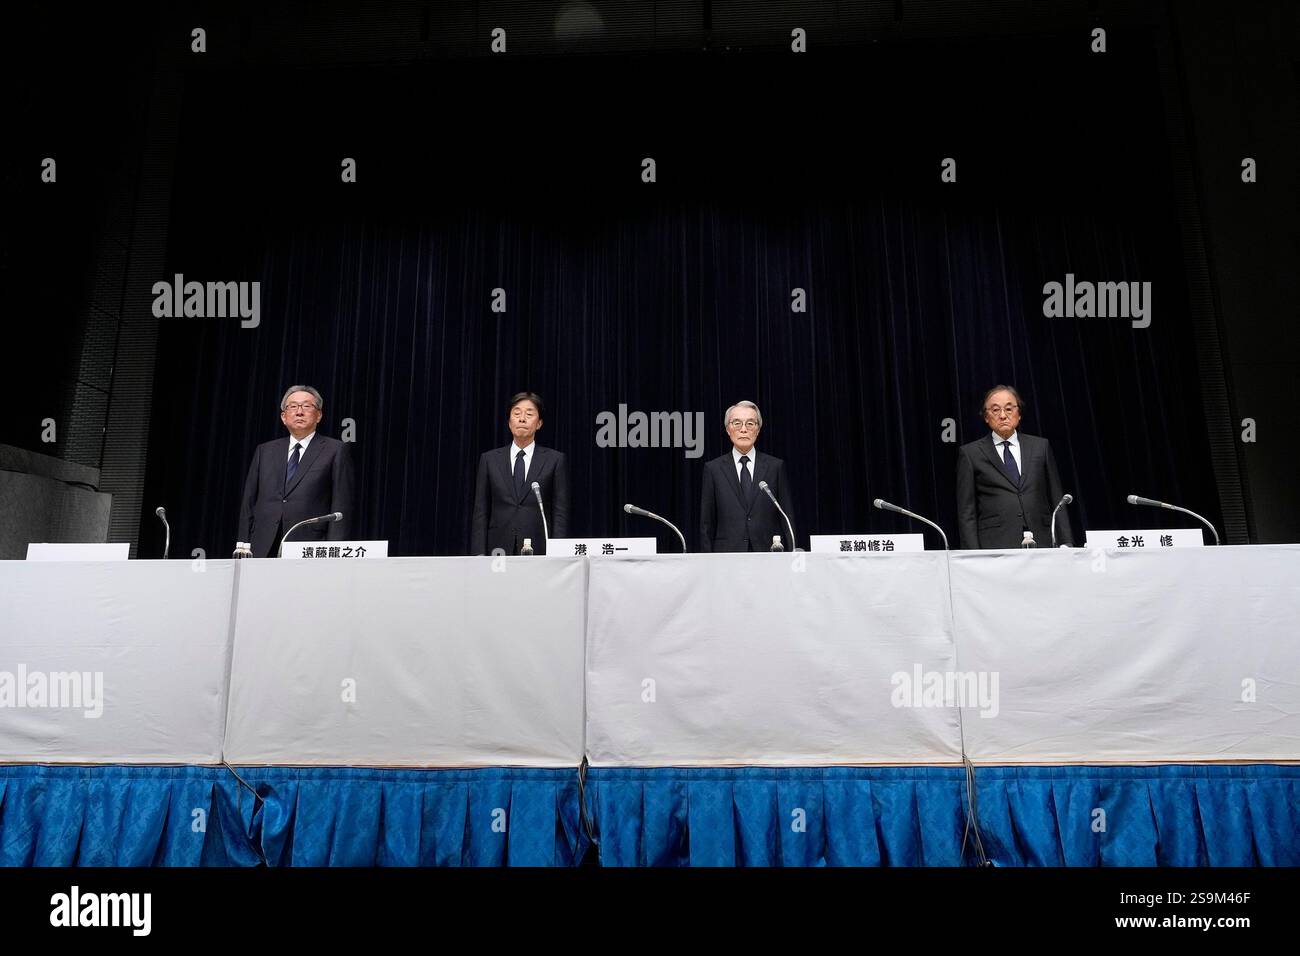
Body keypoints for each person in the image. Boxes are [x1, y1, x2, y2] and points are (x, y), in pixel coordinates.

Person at [237, 385, 355, 557]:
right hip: (262, 545)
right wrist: (242, 545)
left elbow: (341, 506)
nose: (299, 412)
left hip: (310, 546)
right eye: (293, 406)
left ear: (319, 415)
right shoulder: (265, 451)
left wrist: (333, 553)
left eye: (307, 406)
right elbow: (249, 501)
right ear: (283, 417)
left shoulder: (336, 450)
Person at [955, 385, 1074, 549]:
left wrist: (1065, 541)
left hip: (1042, 539)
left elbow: (1056, 496)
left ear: (1019, 414)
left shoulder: (1040, 446)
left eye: (1009, 409)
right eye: (995, 410)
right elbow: (966, 511)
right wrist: (972, 553)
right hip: (995, 543)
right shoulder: (971, 453)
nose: (1003, 415)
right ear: (986, 417)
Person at [472, 391, 569, 555]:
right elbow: (481, 510)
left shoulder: (555, 460)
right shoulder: (489, 460)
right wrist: (478, 554)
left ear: (539, 423)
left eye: (529, 414)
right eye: (516, 413)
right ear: (509, 422)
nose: (522, 418)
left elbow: (560, 512)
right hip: (498, 547)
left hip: (539, 547)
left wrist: (558, 551)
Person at [699, 400, 796, 552]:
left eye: (750, 423)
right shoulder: (713, 469)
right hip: (727, 555)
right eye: (737, 423)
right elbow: (706, 524)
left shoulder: (775, 467)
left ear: (758, 429)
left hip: (767, 553)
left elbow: (786, 518)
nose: (743, 429)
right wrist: (707, 563)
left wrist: (791, 556)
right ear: (727, 429)